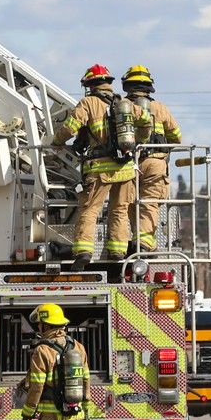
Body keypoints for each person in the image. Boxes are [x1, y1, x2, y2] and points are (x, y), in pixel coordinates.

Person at [52, 64, 152, 270]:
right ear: (108, 84)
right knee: (120, 210)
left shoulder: (88, 103)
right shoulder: (124, 103)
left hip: (99, 168)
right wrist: (140, 141)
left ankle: (83, 252)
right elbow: (146, 120)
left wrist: (56, 141)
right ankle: (117, 251)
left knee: (90, 209)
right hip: (125, 168)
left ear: (90, 85)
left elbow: (71, 127)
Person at [121, 65, 182, 252]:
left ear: (127, 85)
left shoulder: (121, 107)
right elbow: (176, 137)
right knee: (149, 204)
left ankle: (136, 241)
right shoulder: (160, 108)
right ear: (148, 86)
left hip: (127, 163)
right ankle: (144, 243)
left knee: (129, 203)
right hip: (155, 163)